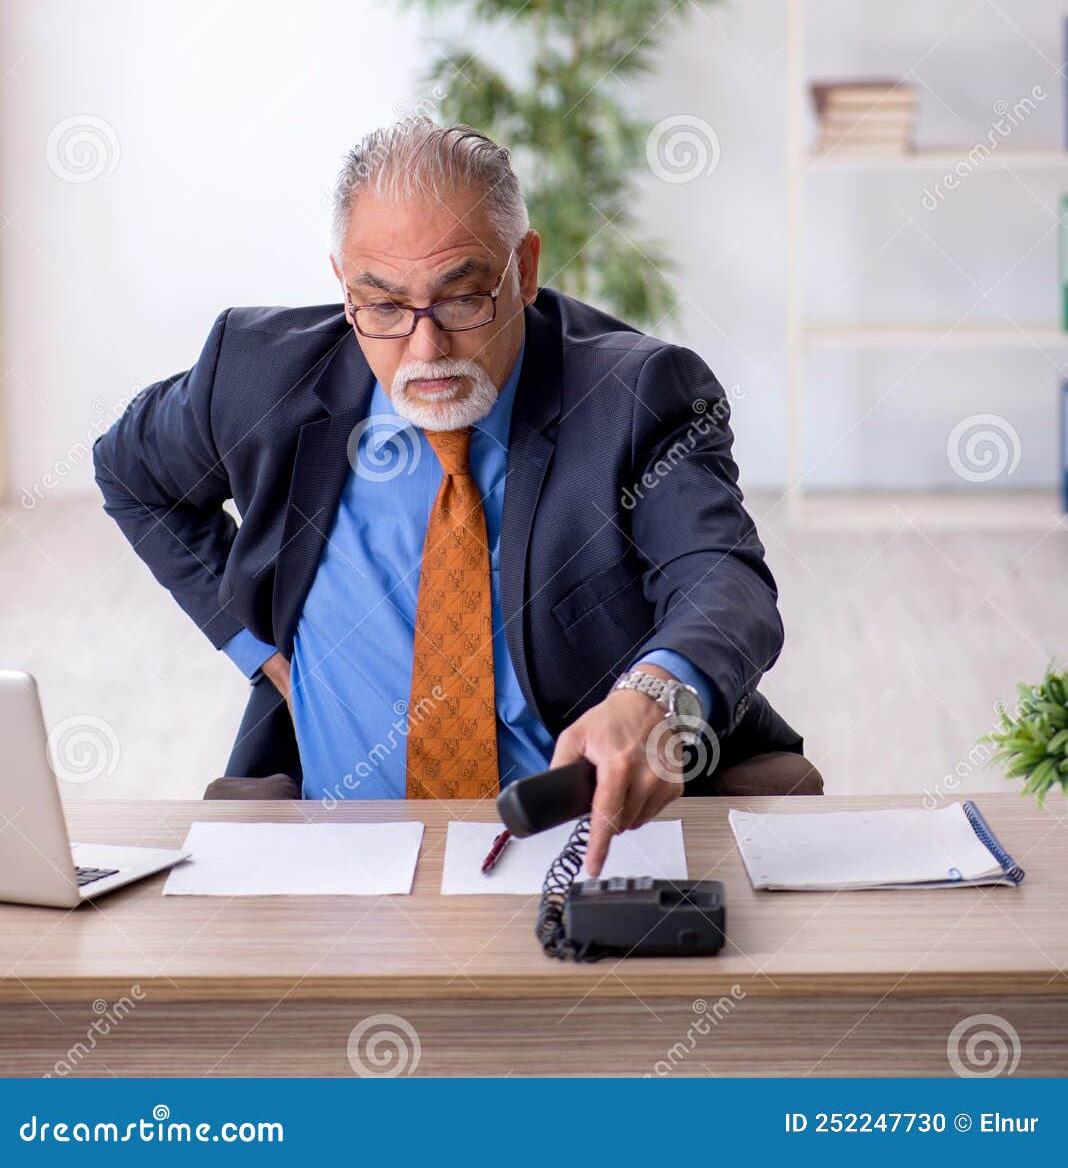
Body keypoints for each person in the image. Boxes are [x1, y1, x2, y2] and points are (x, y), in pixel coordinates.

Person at [93, 119, 818, 875]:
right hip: (345, 849)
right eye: (382, 306)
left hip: (581, 842)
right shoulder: (254, 377)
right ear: (344, 285)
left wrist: (656, 694)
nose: (425, 349)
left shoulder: (638, 398)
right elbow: (130, 475)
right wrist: (258, 647)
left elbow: (723, 582)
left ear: (525, 268)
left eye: (464, 299)